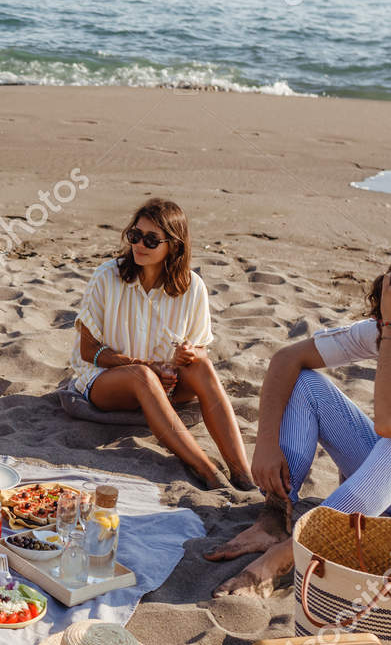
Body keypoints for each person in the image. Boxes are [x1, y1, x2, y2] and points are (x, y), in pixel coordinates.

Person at [206, 255, 391, 596]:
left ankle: (288, 555)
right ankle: (275, 517)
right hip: (389, 480)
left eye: (387, 321)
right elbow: (287, 360)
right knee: (308, 385)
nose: (378, 326)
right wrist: (266, 444)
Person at [68, 197, 253, 490]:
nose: (139, 245)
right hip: (108, 382)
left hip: (169, 384)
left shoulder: (193, 288)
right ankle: (208, 473)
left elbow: (201, 345)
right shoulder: (106, 277)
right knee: (142, 376)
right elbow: (88, 351)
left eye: (151, 240)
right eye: (135, 236)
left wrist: (189, 353)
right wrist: (146, 366)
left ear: (174, 245)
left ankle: (243, 475)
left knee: (203, 366)